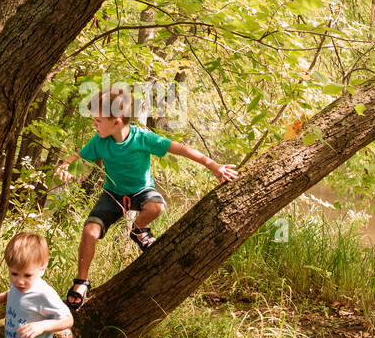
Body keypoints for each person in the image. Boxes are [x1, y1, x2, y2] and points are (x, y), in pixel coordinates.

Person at [53, 85, 238, 308]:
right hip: (113, 194)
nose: (94, 124)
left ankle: (139, 229)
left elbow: (181, 149)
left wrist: (213, 165)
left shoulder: (142, 138)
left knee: (157, 207)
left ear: (117, 121)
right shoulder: (99, 141)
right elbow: (78, 158)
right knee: (89, 232)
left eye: (98, 121)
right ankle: (81, 281)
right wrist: (65, 166)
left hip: (141, 191)